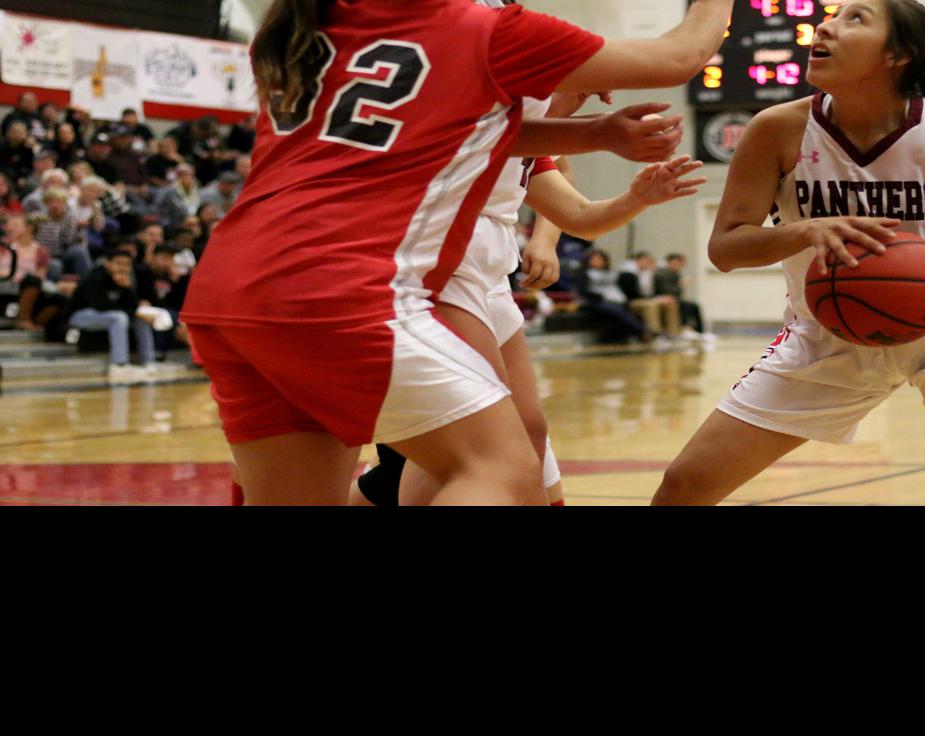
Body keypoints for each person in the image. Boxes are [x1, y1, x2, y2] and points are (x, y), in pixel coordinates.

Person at [183, 0, 734, 506]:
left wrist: (592, 133)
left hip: (231, 285)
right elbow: (680, 56)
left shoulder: (310, 23)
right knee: (501, 470)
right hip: (344, 283)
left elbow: (466, 126)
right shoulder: (481, 27)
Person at [654, 0, 925, 506]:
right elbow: (726, 248)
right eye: (832, 15)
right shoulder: (776, 129)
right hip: (828, 334)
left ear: (899, 55)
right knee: (685, 486)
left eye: (856, 18)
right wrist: (809, 231)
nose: (825, 24)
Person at [65, 248, 161, 380]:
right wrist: (135, 312)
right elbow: (102, 306)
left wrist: (128, 289)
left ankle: (148, 362)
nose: (123, 267)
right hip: (81, 315)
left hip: (105, 315)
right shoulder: (94, 277)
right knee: (119, 317)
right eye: (119, 263)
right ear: (107, 263)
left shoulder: (124, 279)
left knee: (141, 319)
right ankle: (119, 365)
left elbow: (133, 306)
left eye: (127, 264)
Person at [617, 251, 682, 345]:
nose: (647, 263)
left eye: (648, 261)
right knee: (651, 305)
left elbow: (654, 292)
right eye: (645, 261)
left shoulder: (650, 274)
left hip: (649, 299)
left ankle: (673, 335)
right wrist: (654, 299)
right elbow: (630, 294)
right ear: (636, 261)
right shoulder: (628, 274)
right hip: (633, 301)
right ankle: (654, 336)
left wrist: (661, 298)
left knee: (670, 304)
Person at [657, 252, 707, 339]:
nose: (678, 265)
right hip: (664, 298)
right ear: (669, 262)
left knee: (694, 306)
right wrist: (679, 284)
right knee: (684, 306)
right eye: (676, 263)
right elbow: (665, 290)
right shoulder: (662, 273)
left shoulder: (676, 273)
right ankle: (683, 329)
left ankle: (700, 332)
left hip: (674, 298)